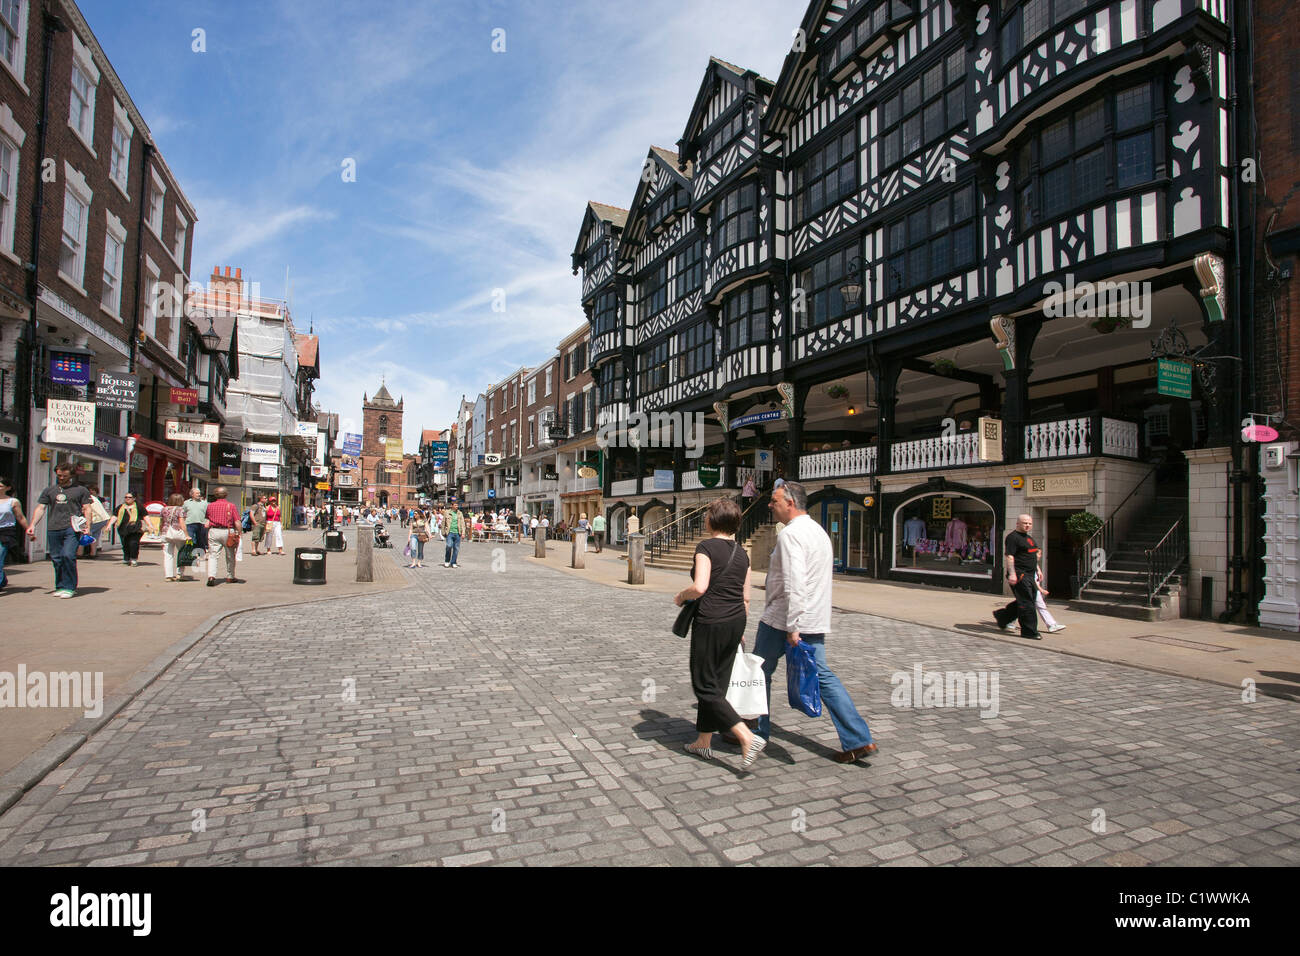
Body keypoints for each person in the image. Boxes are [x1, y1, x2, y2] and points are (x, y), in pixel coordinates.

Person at [750, 481, 877, 764]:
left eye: (774, 501)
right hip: (814, 618)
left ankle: (758, 731)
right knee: (823, 676)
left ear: (790, 503)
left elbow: (795, 582)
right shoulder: (818, 531)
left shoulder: (791, 535)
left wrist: (793, 626)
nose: (770, 505)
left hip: (783, 618)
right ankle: (858, 738)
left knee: (759, 672)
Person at [674, 498, 765, 768]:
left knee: (704, 683)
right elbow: (746, 597)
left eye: (706, 515)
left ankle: (746, 735)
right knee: (717, 683)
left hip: (711, 620)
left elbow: (700, 587)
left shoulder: (706, 548)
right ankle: (703, 742)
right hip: (736, 620)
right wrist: (740, 630)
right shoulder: (742, 552)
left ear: (712, 520)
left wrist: (680, 596)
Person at [26, 463, 94, 598]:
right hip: (53, 527)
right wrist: (32, 524)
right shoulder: (49, 490)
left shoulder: (80, 490)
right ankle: (60, 586)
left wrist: (87, 527)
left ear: (72, 476)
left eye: (65, 476)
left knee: (68, 555)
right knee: (57, 558)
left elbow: (87, 508)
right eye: (59, 475)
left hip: (72, 528)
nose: (61, 478)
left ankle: (70, 587)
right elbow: (41, 508)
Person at [993, 513, 1042, 640]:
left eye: (1030, 523)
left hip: (1030, 575)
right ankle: (1029, 631)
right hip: (1020, 574)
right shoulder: (1013, 538)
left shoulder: (1029, 539)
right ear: (1018, 523)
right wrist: (1013, 573)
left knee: (1028, 600)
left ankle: (1002, 616)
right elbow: (1009, 556)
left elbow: (1033, 556)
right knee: (1027, 603)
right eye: (1025, 523)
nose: (1027, 525)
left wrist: (1038, 570)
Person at [204, 487, 243, 586]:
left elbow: (207, 520)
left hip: (213, 531)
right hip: (228, 531)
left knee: (213, 555)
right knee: (230, 555)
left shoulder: (210, 506)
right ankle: (230, 576)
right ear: (226, 494)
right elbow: (237, 521)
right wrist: (239, 533)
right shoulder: (231, 506)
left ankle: (211, 576)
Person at [0, 475, 30, 591]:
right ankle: (2, 580)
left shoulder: (13, 501)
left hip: (5, 533)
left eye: (0, 486)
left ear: (8, 488)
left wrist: (29, 530)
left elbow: (20, 517)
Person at [160, 493, 190, 582]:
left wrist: (160, 531)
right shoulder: (180, 509)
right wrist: (187, 534)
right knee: (181, 553)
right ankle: (179, 574)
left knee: (168, 555)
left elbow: (162, 521)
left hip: (166, 532)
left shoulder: (164, 509)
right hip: (178, 533)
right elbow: (182, 523)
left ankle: (168, 575)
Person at [114, 493, 143, 566]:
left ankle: (133, 559)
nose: (127, 498)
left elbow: (146, 516)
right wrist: (109, 525)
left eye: (129, 497)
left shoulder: (139, 507)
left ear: (134, 498)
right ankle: (126, 558)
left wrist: (150, 525)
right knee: (125, 544)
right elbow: (115, 516)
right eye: (126, 497)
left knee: (133, 544)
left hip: (135, 529)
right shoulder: (120, 507)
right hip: (123, 529)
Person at [183, 487, 209, 554]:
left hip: (201, 523)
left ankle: (201, 554)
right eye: (197, 493)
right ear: (192, 494)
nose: (199, 494)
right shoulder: (186, 503)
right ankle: (189, 554)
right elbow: (182, 513)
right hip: (189, 523)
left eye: (199, 493)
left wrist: (207, 521)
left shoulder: (204, 503)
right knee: (190, 539)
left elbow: (208, 513)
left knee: (201, 540)